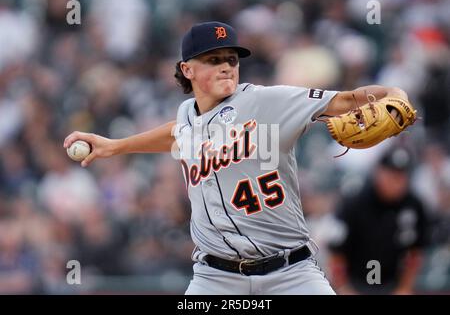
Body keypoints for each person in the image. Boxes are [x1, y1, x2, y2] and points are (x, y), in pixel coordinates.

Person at [64, 21, 411, 295]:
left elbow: (348, 100)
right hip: (215, 277)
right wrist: (114, 146)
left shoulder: (266, 102)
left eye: (231, 59)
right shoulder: (187, 115)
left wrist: (393, 92)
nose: (227, 67)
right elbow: (178, 134)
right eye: (214, 60)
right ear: (187, 70)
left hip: (289, 272)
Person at [328, 147, 428, 295]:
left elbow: (415, 251)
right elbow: (336, 251)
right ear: (378, 172)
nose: (396, 182)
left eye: (401, 176)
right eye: (391, 175)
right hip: (355, 283)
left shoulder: (413, 205)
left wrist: (405, 288)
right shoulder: (354, 202)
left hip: (393, 284)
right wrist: (344, 288)